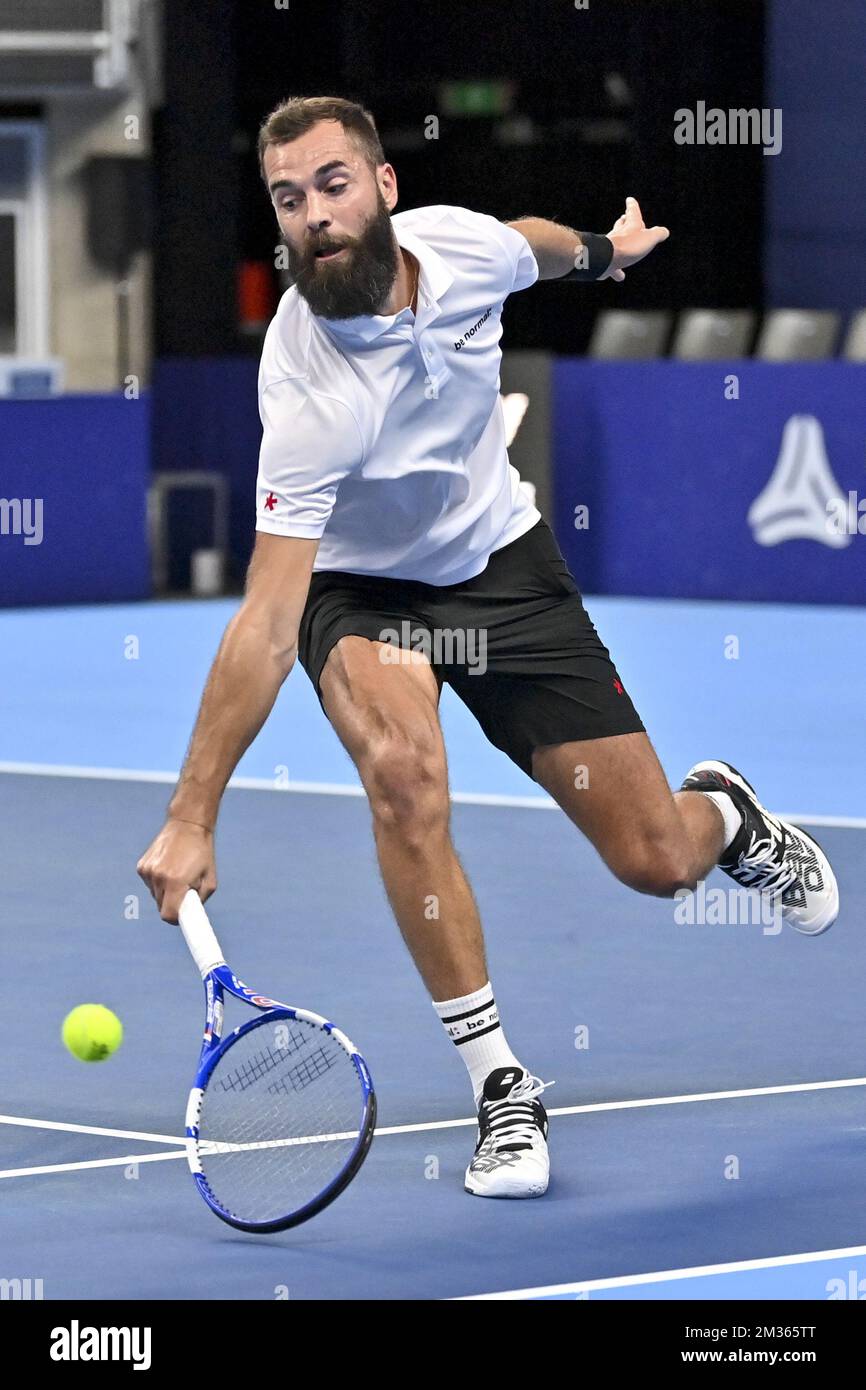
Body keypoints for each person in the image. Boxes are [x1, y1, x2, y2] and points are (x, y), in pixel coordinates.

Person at [137, 96, 838, 1201]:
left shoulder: (458, 248)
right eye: (286, 198)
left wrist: (606, 251)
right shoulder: (306, 385)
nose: (312, 216)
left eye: (330, 184)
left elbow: (533, 244)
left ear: (382, 189)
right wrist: (191, 814)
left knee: (655, 860)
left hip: (499, 566)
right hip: (362, 592)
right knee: (405, 778)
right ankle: (499, 1082)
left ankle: (730, 816)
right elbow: (269, 620)